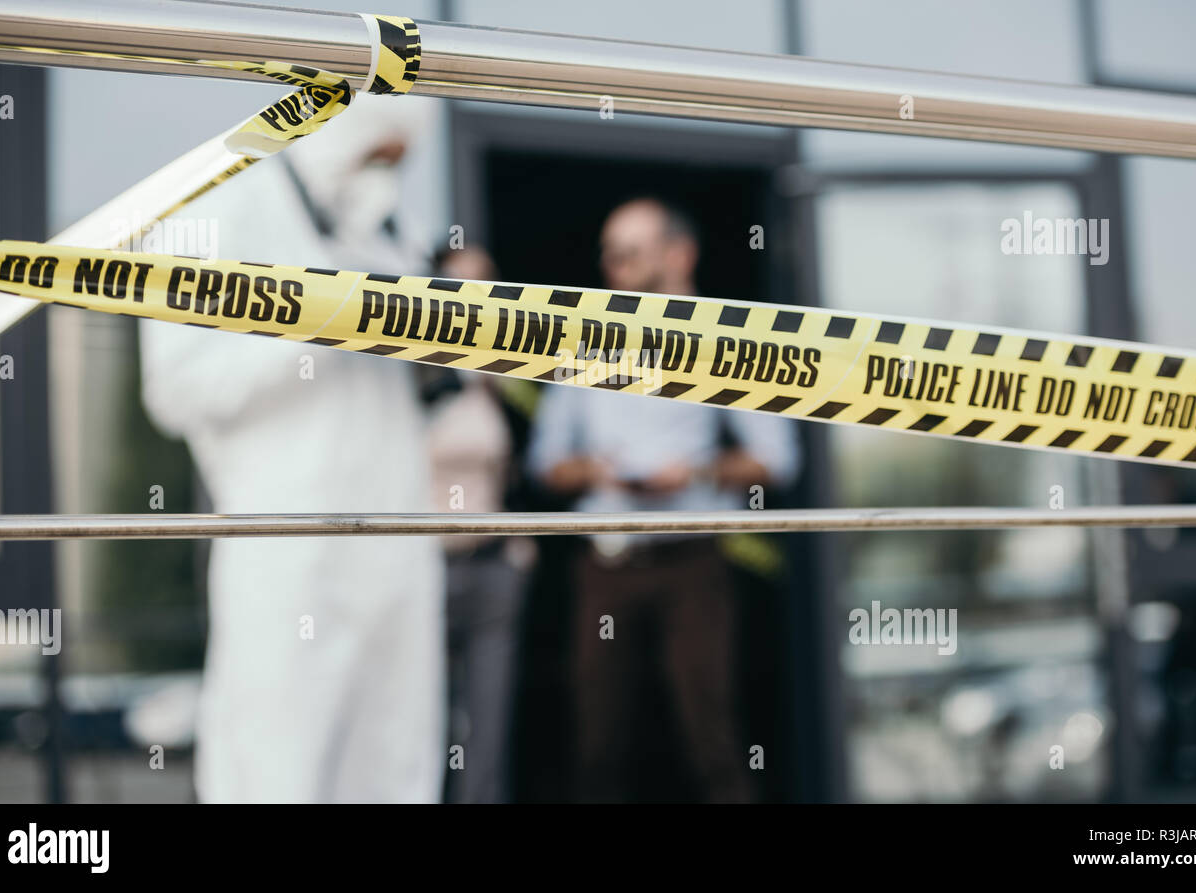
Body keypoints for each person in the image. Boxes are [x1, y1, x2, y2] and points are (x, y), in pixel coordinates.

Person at [139, 94, 446, 802]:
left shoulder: (388, 229)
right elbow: (174, 387)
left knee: (398, 761)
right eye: (380, 151)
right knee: (276, 762)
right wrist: (321, 321)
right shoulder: (214, 204)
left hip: (400, 549)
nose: (389, 172)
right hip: (289, 552)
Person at [527, 198, 800, 802]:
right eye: (609, 251)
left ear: (679, 254)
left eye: (629, 251)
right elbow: (546, 464)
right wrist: (597, 470)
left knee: (711, 739)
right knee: (597, 743)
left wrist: (696, 473)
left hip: (693, 563)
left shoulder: (728, 336)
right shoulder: (585, 337)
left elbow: (777, 457)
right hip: (607, 562)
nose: (612, 263)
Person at [426, 244, 534, 803]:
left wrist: (519, 544)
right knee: (423, 723)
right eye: (457, 285)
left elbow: (530, 460)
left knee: (489, 724)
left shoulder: (507, 378)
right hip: (424, 566)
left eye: (484, 285)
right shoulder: (408, 375)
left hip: (494, 564)